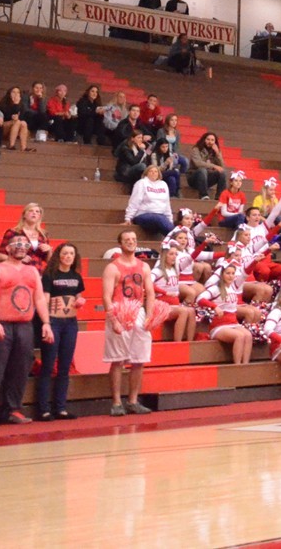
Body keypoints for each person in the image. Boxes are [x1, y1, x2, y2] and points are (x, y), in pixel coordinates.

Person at [0, 234, 51, 426]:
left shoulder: (33, 271)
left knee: (20, 369)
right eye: (16, 244)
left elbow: (40, 299)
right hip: (1, 324)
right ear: (7, 248)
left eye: (24, 244)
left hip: (24, 326)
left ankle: (13, 409)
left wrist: (46, 323)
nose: (20, 247)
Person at [102, 230, 155, 416]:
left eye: (133, 240)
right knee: (118, 360)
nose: (131, 242)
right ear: (120, 244)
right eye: (127, 240)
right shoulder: (113, 267)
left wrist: (149, 317)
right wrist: (113, 319)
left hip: (138, 311)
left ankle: (133, 401)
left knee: (139, 359)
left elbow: (150, 293)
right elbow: (106, 298)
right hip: (120, 310)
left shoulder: (144, 266)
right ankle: (116, 402)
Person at [35, 241, 85, 421]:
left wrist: (81, 301)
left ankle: (61, 407)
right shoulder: (49, 275)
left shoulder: (77, 276)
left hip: (70, 323)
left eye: (71, 253)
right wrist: (46, 322)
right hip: (54, 321)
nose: (68, 256)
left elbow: (79, 296)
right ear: (59, 255)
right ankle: (43, 408)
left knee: (64, 366)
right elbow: (44, 299)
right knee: (48, 365)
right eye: (65, 253)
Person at [197, 261, 255, 365]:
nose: (231, 276)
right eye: (228, 273)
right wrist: (214, 306)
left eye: (233, 273)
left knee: (248, 335)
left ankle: (245, 365)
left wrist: (256, 261)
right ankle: (237, 366)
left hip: (233, 323)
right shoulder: (215, 288)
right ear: (222, 274)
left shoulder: (234, 286)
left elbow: (245, 273)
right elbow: (200, 299)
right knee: (240, 336)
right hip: (219, 325)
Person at [0, 203, 52, 271]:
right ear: (24, 215)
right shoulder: (13, 232)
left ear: (39, 216)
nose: (34, 213)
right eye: (30, 211)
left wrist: (49, 251)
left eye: (37, 212)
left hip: (37, 271)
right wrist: (18, 259)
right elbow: (0, 256)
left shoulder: (43, 234)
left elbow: (48, 261)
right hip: (17, 270)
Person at [126, 165, 173, 239]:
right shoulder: (141, 183)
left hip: (161, 216)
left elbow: (167, 204)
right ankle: (176, 237)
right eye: (151, 171)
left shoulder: (163, 185)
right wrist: (128, 218)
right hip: (143, 215)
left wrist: (170, 220)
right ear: (146, 173)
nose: (153, 173)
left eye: (155, 171)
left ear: (159, 174)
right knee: (158, 218)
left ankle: (175, 238)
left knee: (161, 219)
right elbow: (135, 201)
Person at [0, 86, 33, 151]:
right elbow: (4, 116)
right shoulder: (2, 104)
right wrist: (15, 106)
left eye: (18, 92)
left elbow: (21, 118)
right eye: (13, 92)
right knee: (17, 122)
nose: (16, 94)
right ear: (9, 94)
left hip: (15, 128)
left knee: (23, 123)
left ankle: (24, 147)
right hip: (2, 128)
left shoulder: (21, 105)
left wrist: (17, 105)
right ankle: (11, 145)